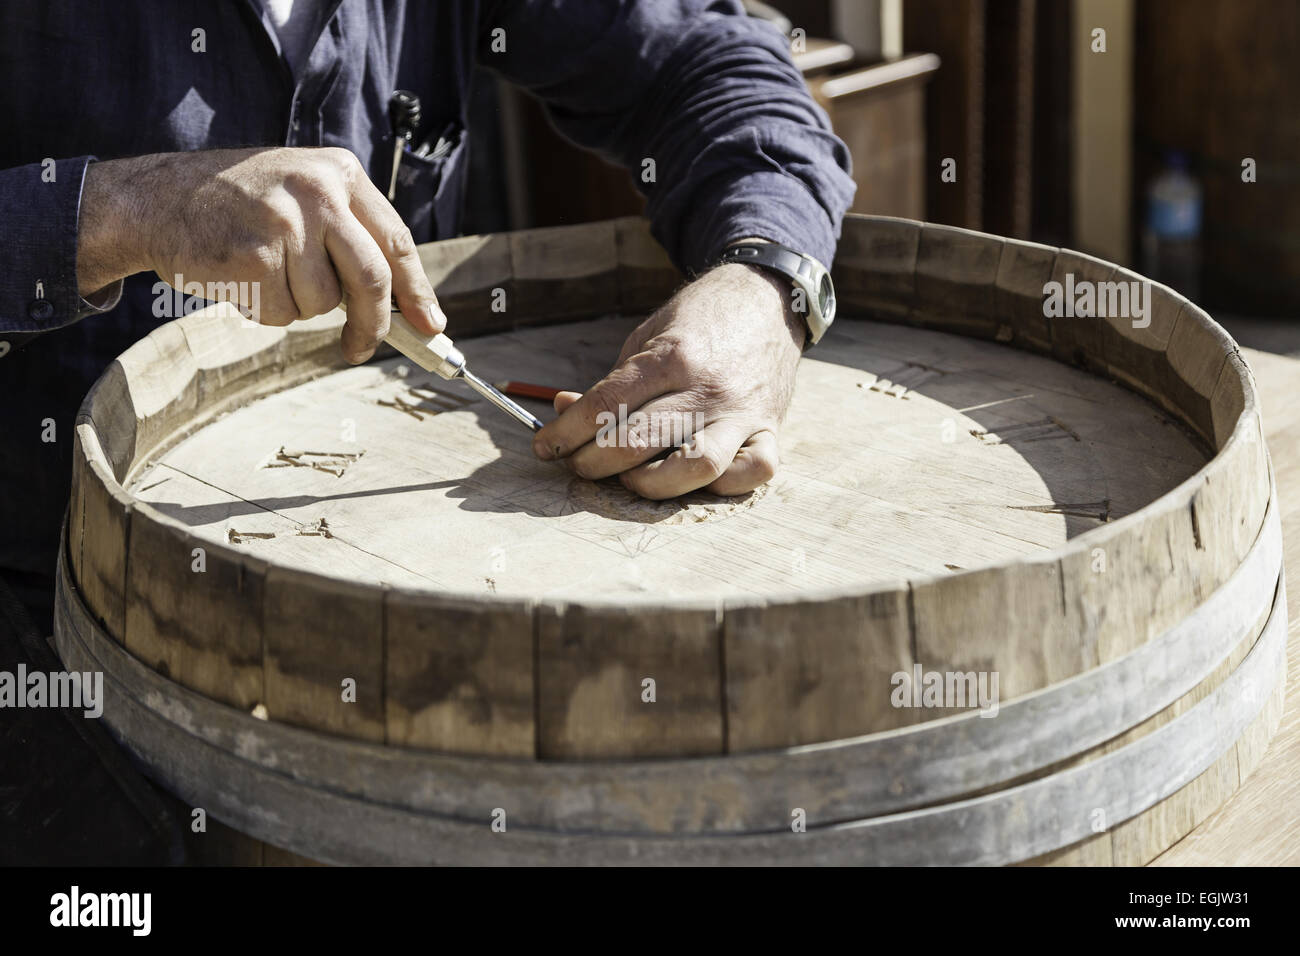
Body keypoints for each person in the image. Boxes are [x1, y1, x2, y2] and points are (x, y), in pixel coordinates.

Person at [0, 0, 855, 629]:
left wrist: (763, 283)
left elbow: (708, 66)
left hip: (411, 607)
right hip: (48, 600)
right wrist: (121, 214)